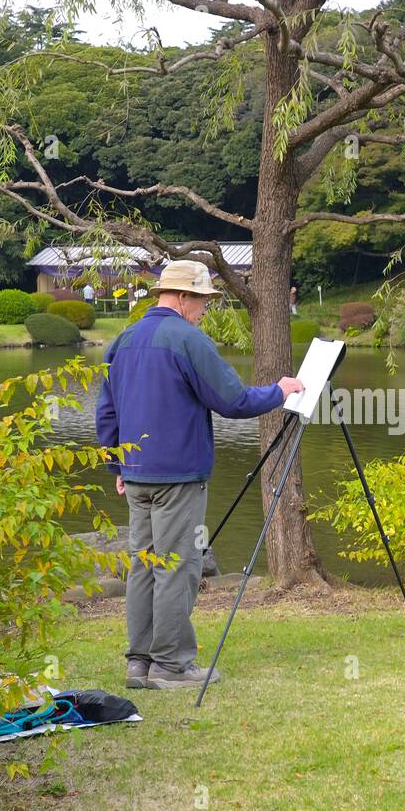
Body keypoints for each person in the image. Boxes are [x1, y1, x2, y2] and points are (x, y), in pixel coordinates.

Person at [96, 260, 303, 690]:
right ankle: (171, 666)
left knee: (144, 566)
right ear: (182, 297)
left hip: (136, 477)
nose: (205, 308)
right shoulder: (187, 339)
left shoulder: (124, 339)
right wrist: (279, 391)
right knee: (178, 566)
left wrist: (117, 464)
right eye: (203, 300)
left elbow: (107, 410)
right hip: (177, 477)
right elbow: (232, 400)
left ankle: (139, 663)